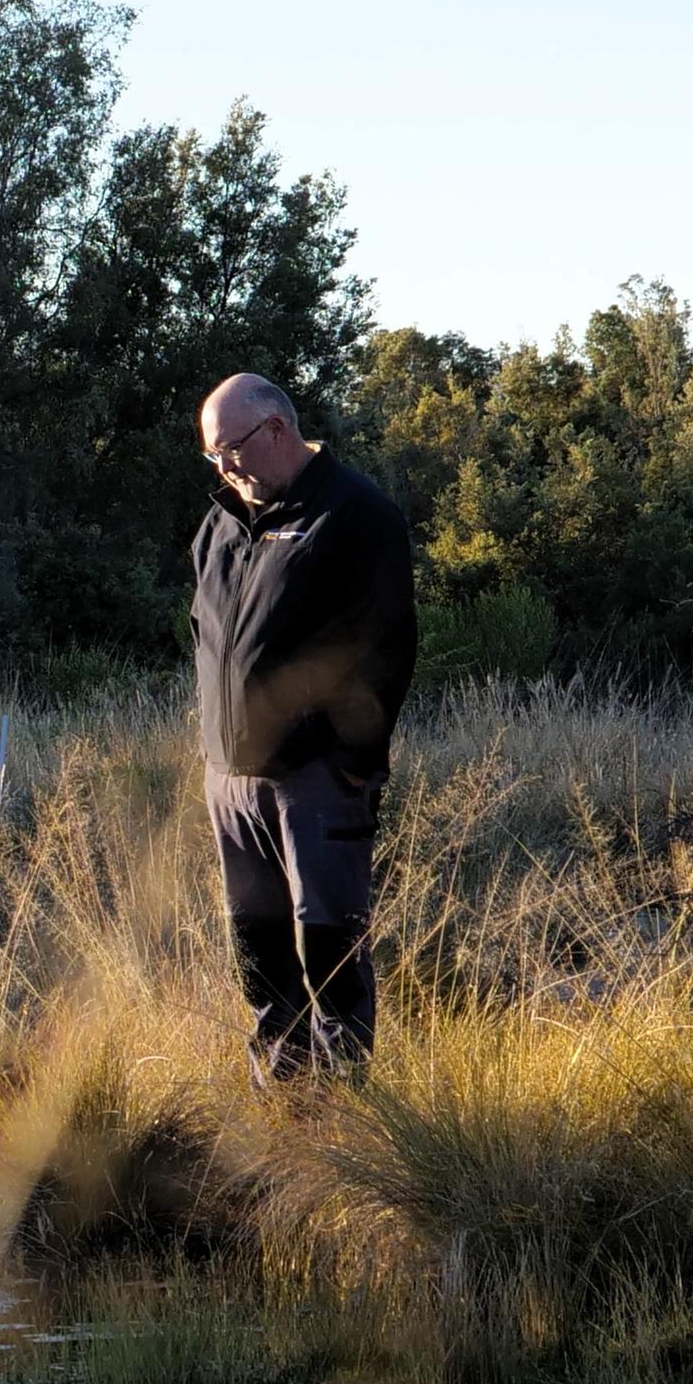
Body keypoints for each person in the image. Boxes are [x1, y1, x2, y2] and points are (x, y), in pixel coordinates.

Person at [187, 373, 419, 1077]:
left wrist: (351, 762)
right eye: (213, 455)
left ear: (277, 430)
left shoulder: (354, 514)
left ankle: (344, 1100)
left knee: (329, 943)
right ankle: (281, 1091)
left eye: (230, 448)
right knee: (256, 945)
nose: (223, 465)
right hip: (231, 781)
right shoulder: (221, 521)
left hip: (316, 780)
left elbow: (388, 646)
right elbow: (208, 632)